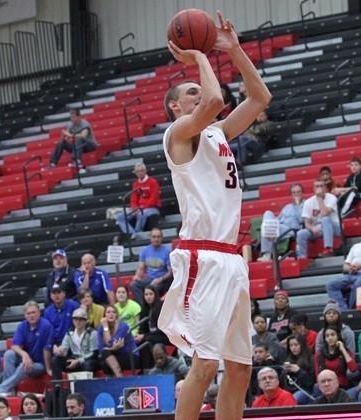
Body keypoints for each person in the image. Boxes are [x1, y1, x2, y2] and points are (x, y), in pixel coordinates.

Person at [158, 11, 272, 420]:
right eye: (188, 92)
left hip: (231, 259)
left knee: (240, 369)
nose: (197, 93)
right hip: (201, 258)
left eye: (195, 89)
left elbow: (260, 99)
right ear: (175, 107)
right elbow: (213, 100)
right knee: (204, 367)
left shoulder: (217, 133)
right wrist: (199, 55)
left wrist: (235, 50)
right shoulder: (177, 135)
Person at [0, 301, 53, 397]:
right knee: (8, 354)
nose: (31, 316)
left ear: (39, 313)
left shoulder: (46, 325)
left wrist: (48, 368)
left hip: (40, 364)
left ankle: (3, 388)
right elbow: (14, 346)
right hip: (27, 359)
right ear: (25, 315)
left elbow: (47, 349)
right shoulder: (22, 326)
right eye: (28, 313)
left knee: (24, 366)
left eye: (34, 312)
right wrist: (24, 354)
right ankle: (10, 390)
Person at [325, 219, 361, 309]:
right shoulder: (355, 246)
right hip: (352, 273)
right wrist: (351, 268)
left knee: (358, 285)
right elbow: (345, 266)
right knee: (331, 285)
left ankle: (351, 310)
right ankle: (343, 309)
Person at [257, 183, 305, 262]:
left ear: (302, 194)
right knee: (268, 213)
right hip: (279, 225)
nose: (296, 194)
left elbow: (301, 220)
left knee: (268, 227)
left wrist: (298, 205)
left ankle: (267, 254)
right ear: (291, 195)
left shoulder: (305, 205)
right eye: (294, 193)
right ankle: (268, 230)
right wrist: (272, 223)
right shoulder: (287, 206)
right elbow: (278, 218)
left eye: (298, 192)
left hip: (291, 229)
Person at [296, 179, 341, 258]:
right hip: (318, 229)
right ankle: (303, 257)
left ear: (325, 188)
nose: (319, 188)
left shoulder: (332, 198)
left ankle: (328, 249)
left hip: (334, 227)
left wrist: (320, 199)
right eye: (317, 186)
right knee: (301, 233)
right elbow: (307, 222)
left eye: (321, 186)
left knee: (325, 219)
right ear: (314, 188)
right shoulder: (308, 202)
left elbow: (324, 213)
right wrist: (312, 228)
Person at [116, 163, 162, 238]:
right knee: (120, 217)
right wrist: (135, 209)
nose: (140, 173)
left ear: (145, 171)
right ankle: (132, 233)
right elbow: (133, 200)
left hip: (152, 208)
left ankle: (138, 232)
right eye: (137, 171)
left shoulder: (153, 182)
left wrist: (141, 209)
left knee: (142, 214)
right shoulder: (135, 184)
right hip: (138, 208)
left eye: (141, 170)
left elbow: (154, 199)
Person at [52, 308, 100, 379]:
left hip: (88, 360)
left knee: (88, 364)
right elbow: (64, 348)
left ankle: (88, 386)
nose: (78, 322)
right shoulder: (69, 333)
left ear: (86, 321)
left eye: (80, 320)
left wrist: (78, 361)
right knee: (56, 360)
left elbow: (94, 354)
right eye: (76, 320)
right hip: (74, 359)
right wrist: (60, 350)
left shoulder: (92, 333)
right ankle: (57, 386)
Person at [130, 228, 172, 299]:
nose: (156, 239)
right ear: (150, 238)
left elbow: (170, 272)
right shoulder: (145, 250)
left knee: (152, 288)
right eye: (154, 237)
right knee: (133, 285)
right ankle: (143, 307)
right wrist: (137, 276)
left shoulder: (167, 251)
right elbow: (141, 268)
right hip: (149, 279)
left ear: (162, 238)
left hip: (162, 281)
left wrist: (160, 279)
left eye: (158, 237)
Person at [315, 326, 357, 396]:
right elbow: (318, 375)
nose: (330, 338)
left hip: (342, 386)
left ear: (338, 336)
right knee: (316, 387)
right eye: (327, 336)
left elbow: (353, 369)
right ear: (325, 339)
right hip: (326, 387)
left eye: (333, 335)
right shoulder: (319, 354)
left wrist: (343, 349)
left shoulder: (345, 352)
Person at [98, 305, 138, 377]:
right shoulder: (101, 327)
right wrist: (113, 348)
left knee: (106, 361)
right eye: (108, 312)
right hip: (114, 354)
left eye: (113, 312)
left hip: (130, 355)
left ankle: (119, 377)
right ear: (104, 315)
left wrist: (106, 327)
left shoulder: (123, 326)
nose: (111, 314)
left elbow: (110, 344)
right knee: (104, 363)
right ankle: (113, 383)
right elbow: (100, 348)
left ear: (117, 315)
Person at [135, 286, 169, 364]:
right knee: (137, 341)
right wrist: (139, 334)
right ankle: (141, 368)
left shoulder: (161, 307)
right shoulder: (144, 309)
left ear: (155, 295)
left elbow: (161, 330)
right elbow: (142, 328)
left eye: (151, 294)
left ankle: (149, 367)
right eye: (146, 294)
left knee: (147, 341)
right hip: (150, 335)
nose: (148, 296)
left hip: (164, 336)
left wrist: (144, 335)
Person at [282, 334, 316, 404]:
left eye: (296, 345)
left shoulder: (310, 358)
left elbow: (310, 382)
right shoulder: (287, 358)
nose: (293, 348)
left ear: (302, 345)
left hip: (305, 390)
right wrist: (283, 372)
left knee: (292, 400)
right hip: (289, 390)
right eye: (291, 345)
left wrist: (298, 371)